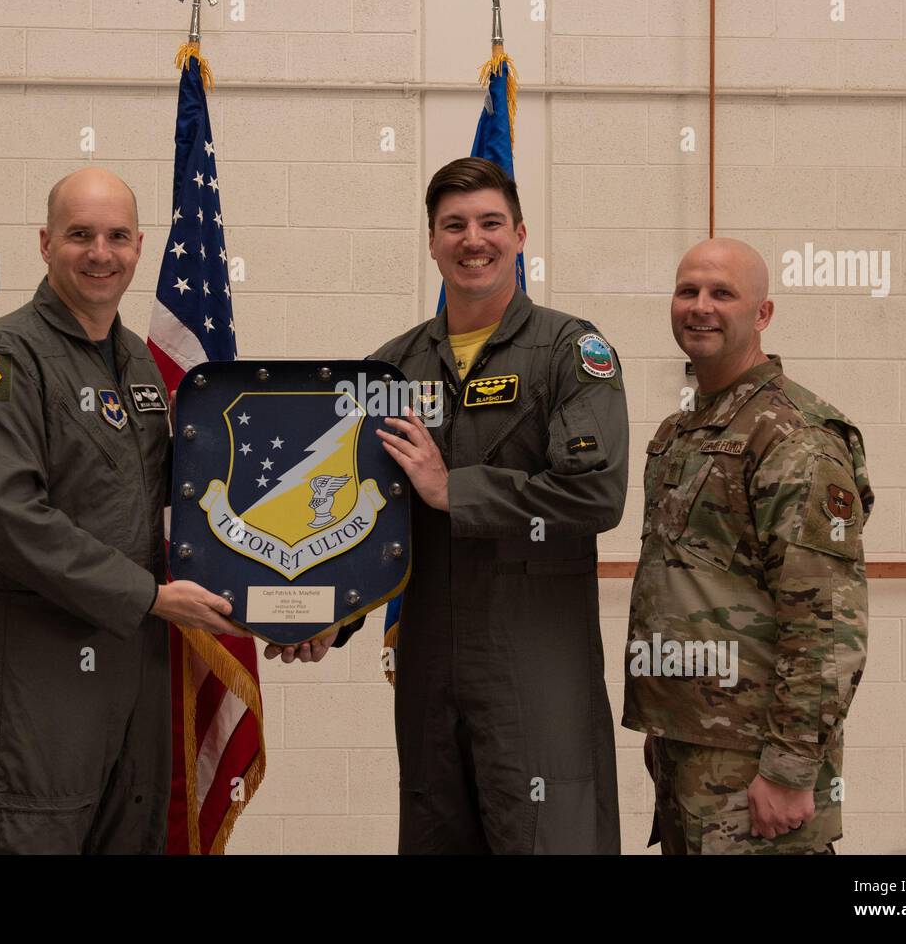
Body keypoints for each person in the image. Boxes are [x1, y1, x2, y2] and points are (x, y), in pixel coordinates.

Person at [299, 157, 629, 853]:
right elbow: (368, 520)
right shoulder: (390, 368)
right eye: (453, 225)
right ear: (430, 241)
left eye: (489, 222)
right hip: (428, 671)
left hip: (537, 670)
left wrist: (457, 489)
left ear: (519, 235)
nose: (471, 239)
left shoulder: (571, 352)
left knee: (548, 836)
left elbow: (596, 493)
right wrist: (330, 614)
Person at [0, 167, 244, 854]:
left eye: (116, 236)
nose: (100, 252)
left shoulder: (138, 364)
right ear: (45, 243)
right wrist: (149, 597)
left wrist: (272, 603)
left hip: (136, 673)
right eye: (80, 234)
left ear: (139, 247)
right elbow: (7, 519)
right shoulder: (2, 362)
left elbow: (185, 509)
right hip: (37, 677)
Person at [624, 237, 873, 855]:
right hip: (690, 742)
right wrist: (667, 723)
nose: (700, 307)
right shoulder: (681, 432)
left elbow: (828, 622)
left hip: (754, 761)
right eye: (688, 291)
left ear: (761, 313)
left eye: (722, 293)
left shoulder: (795, 437)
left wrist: (790, 770)